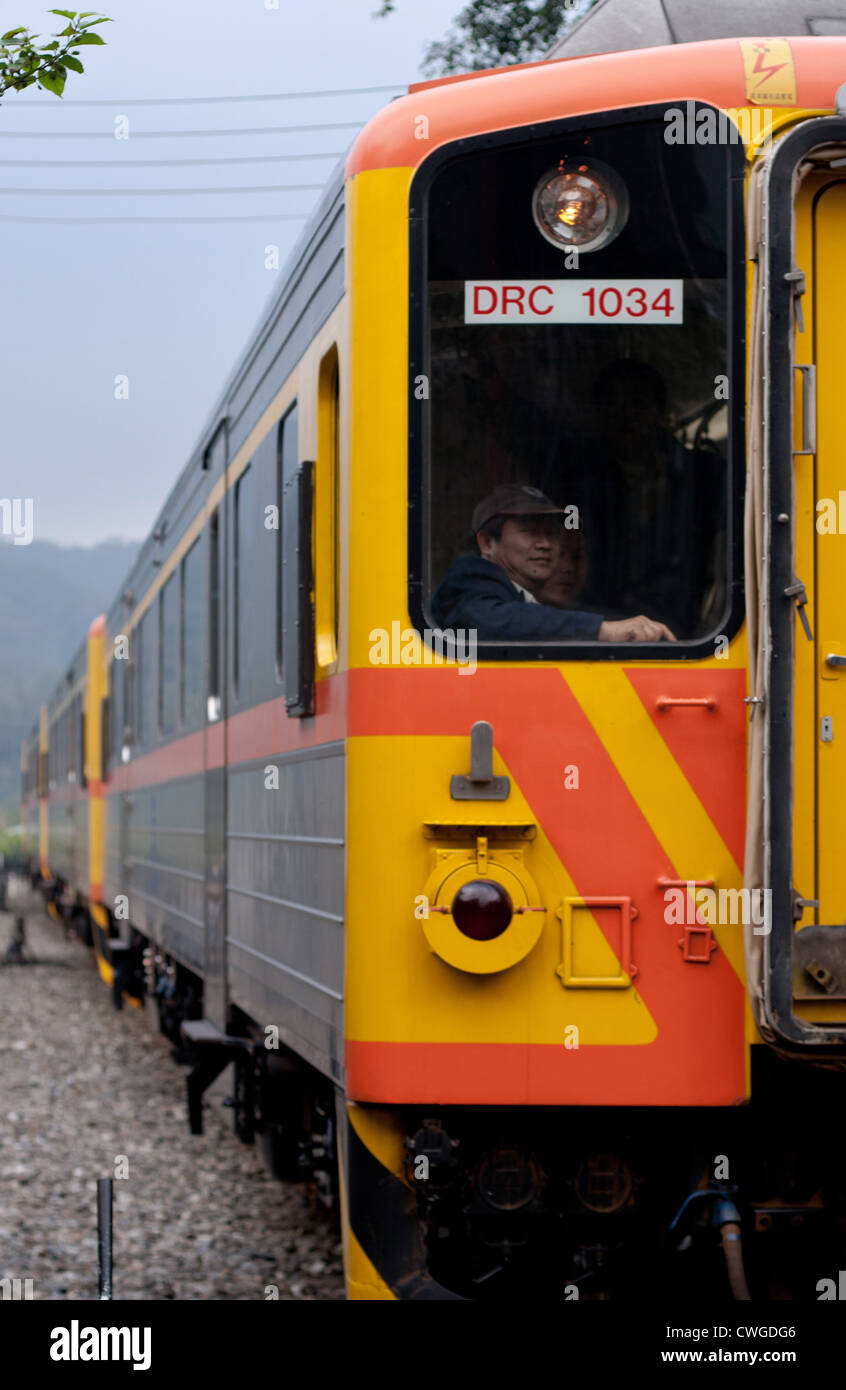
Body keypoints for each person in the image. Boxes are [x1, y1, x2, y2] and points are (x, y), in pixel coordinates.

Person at [431, 483, 675, 643]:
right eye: (529, 531)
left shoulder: (522, 596)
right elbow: (492, 621)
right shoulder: (470, 577)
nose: (545, 543)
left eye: (551, 533)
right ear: (487, 543)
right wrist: (606, 630)